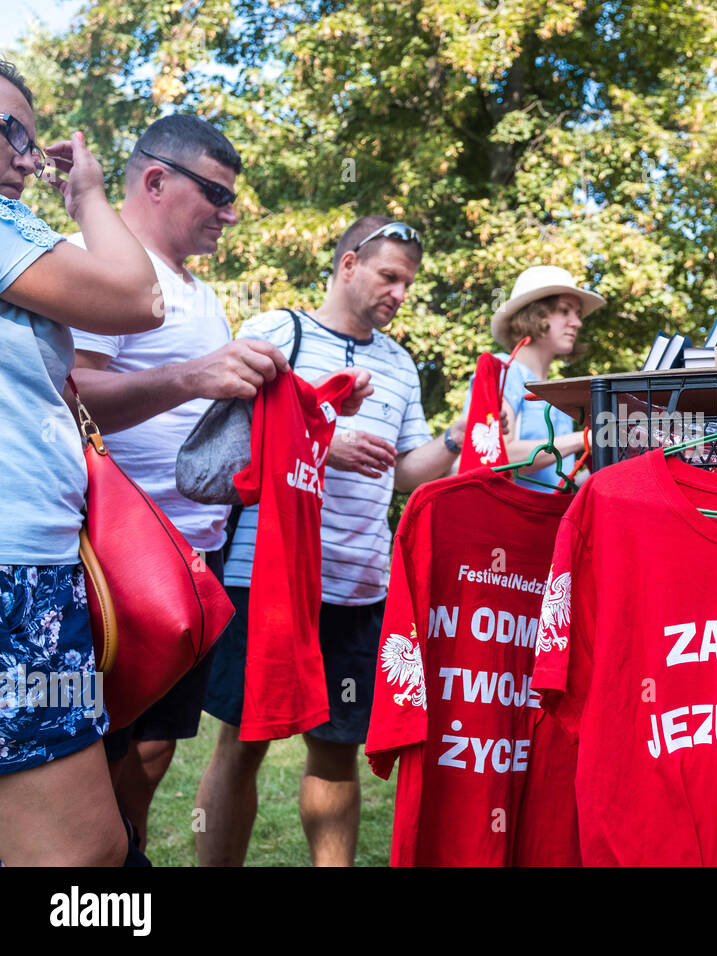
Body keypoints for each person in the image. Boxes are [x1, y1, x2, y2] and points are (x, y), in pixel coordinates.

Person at [195, 215, 462, 866]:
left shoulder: (399, 364)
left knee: (338, 744)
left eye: (408, 283)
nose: (400, 292)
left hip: (357, 582)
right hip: (267, 575)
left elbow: (400, 471)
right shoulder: (274, 333)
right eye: (388, 275)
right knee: (243, 739)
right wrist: (321, 440)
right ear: (347, 265)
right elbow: (225, 446)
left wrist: (456, 440)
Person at [68, 115, 290, 852]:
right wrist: (195, 375)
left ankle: (122, 854)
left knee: (154, 747)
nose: (229, 214)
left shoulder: (200, 293)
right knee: (90, 754)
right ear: (155, 181)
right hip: (108, 565)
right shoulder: (96, 264)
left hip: (195, 562)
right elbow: (67, 395)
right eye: (216, 195)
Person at [0, 58, 161, 865]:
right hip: (15, 567)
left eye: (30, 138)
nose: (29, 157)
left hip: (27, 560)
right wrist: (90, 194)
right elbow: (139, 296)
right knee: (85, 854)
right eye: (13, 133)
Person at [467, 265, 604, 485]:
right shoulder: (503, 369)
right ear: (534, 314)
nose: (577, 323)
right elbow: (497, 458)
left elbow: (553, 483)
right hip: (508, 518)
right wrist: (587, 438)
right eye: (564, 310)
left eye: (577, 314)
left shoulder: (555, 389)